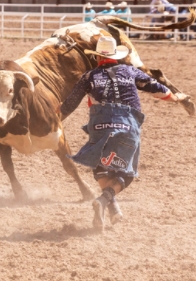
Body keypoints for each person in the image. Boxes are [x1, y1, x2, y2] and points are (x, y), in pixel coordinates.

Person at [59, 36, 174, 230]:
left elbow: (69, 105)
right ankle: (104, 200)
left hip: (100, 125)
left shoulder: (89, 76)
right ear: (116, 56)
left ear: (97, 58)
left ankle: (111, 207)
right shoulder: (130, 71)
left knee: (102, 164)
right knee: (127, 171)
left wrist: (57, 113)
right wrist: (175, 98)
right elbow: (161, 91)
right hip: (127, 123)